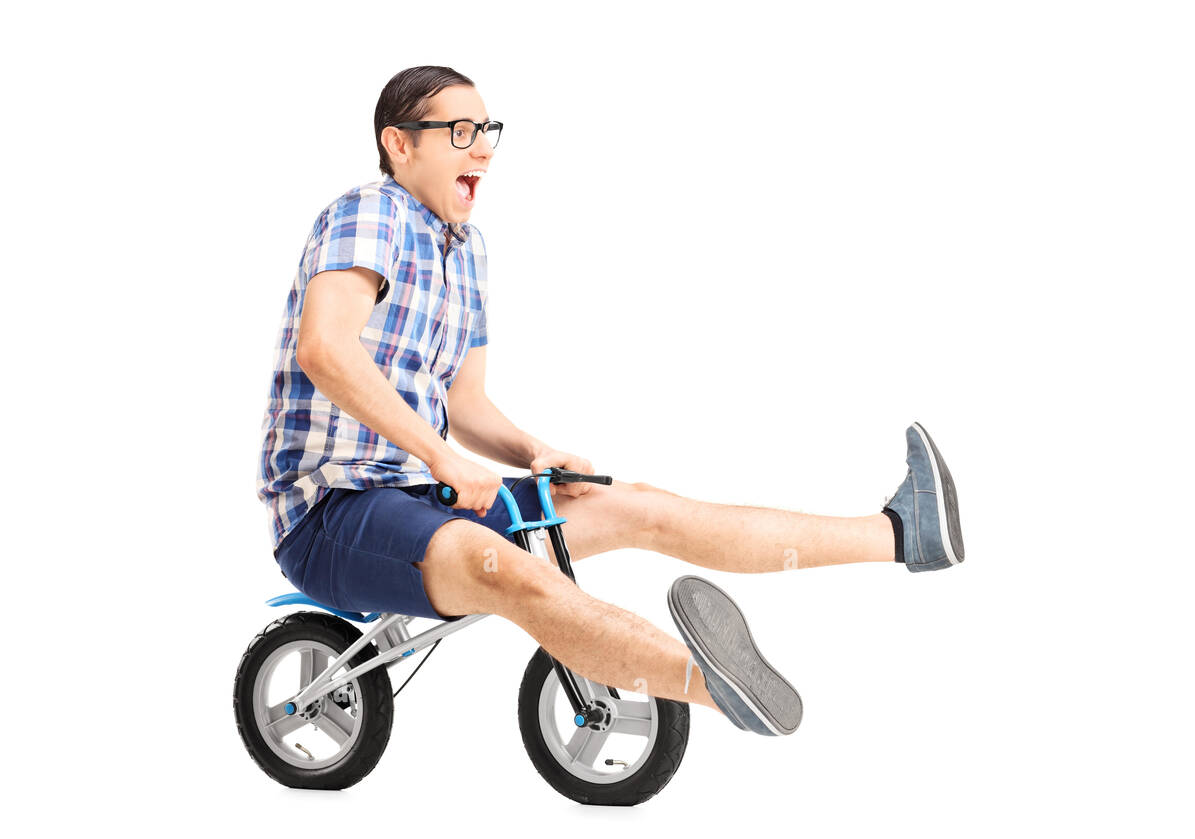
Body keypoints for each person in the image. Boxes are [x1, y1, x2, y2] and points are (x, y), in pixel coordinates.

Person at [257, 65, 965, 737]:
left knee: (637, 505)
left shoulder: (466, 250)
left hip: (426, 494)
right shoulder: (369, 213)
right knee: (502, 565)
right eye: (460, 133)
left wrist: (533, 453)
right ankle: (708, 683)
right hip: (333, 510)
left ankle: (901, 534)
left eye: (488, 131)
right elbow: (325, 349)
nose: (484, 153)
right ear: (399, 143)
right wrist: (444, 459)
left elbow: (466, 404)